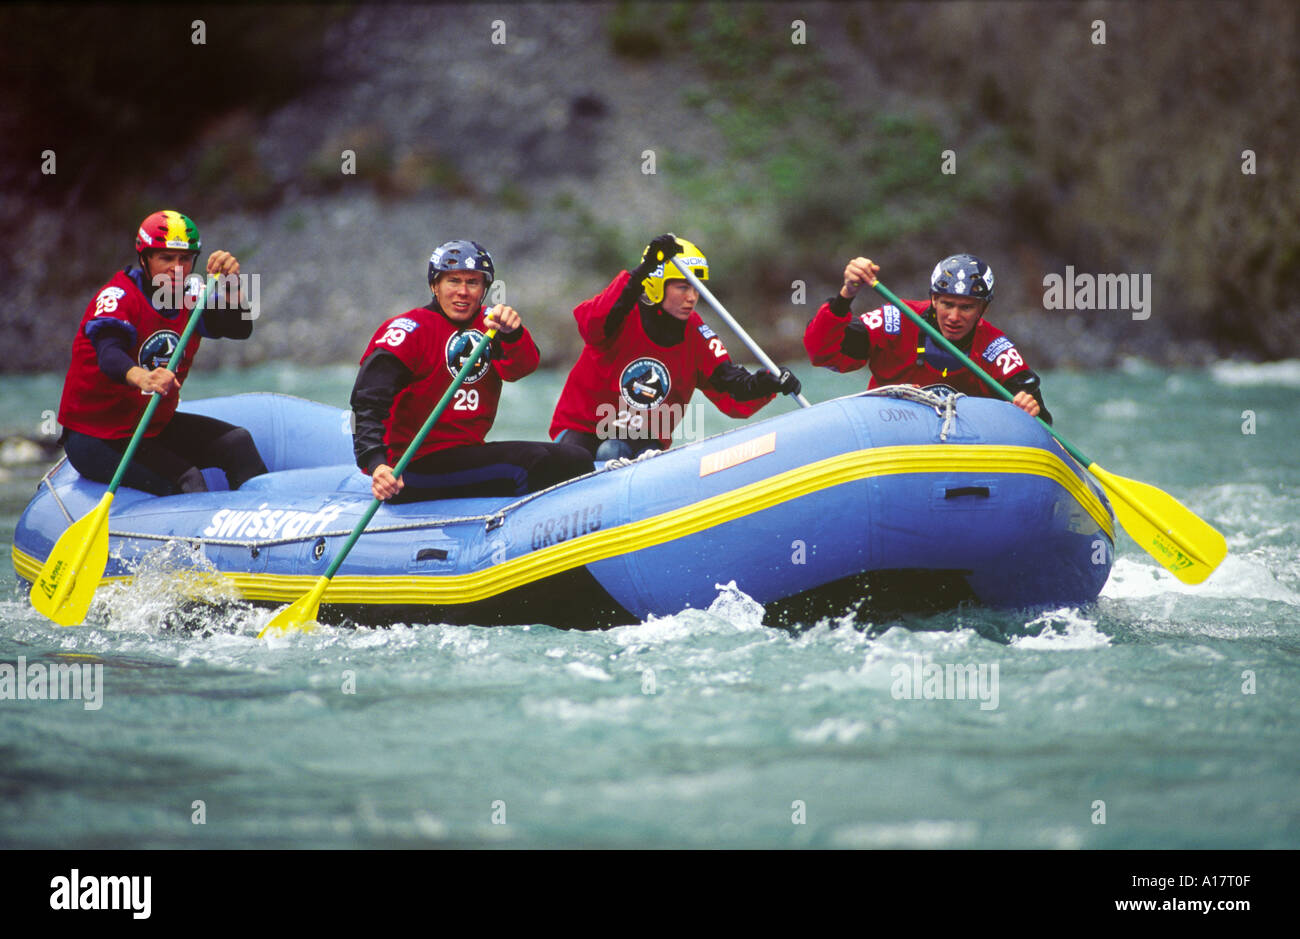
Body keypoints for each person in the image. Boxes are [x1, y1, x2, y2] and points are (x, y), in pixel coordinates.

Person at [350, 239, 593, 502]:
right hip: (409, 466)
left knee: (577, 458)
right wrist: (377, 465)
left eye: (472, 282)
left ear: (484, 288)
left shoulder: (492, 324)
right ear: (435, 286)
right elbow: (367, 402)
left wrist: (513, 335)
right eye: (453, 281)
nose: (463, 292)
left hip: (465, 454)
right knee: (532, 464)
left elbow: (521, 369)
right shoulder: (407, 331)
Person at [56, 210, 268, 495]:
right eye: (165, 258)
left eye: (184, 259)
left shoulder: (191, 296)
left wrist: (232, 285)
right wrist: (141, 377)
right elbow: (109, 354)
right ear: (144, 259)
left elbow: (239, 329)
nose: (176, 268)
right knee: (189, 480)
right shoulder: (117, 297)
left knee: (237, 442)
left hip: (151, 426)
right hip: (97, 437)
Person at [549, 234, 802, 460]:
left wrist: (770, 382)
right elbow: (592, 325)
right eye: (682, 287)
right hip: (584, 431)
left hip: (643, 441)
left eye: (696, 288)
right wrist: (645, 269)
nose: (691, 297)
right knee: (610, 451)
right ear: (658, 283)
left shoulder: (695, 331)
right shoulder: (619, 315)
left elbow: (729, 385)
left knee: (622, 450)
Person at [803, 253, 1051, 422]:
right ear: (933, 299)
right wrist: (847, 294)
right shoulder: (896, 319)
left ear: (983, 309)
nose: (954, 316)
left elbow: (1042, 421)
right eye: (947, 304)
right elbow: (822, 353)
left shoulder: (996, 350)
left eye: (966, 308)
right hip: (885, 433)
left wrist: (1028, 409)